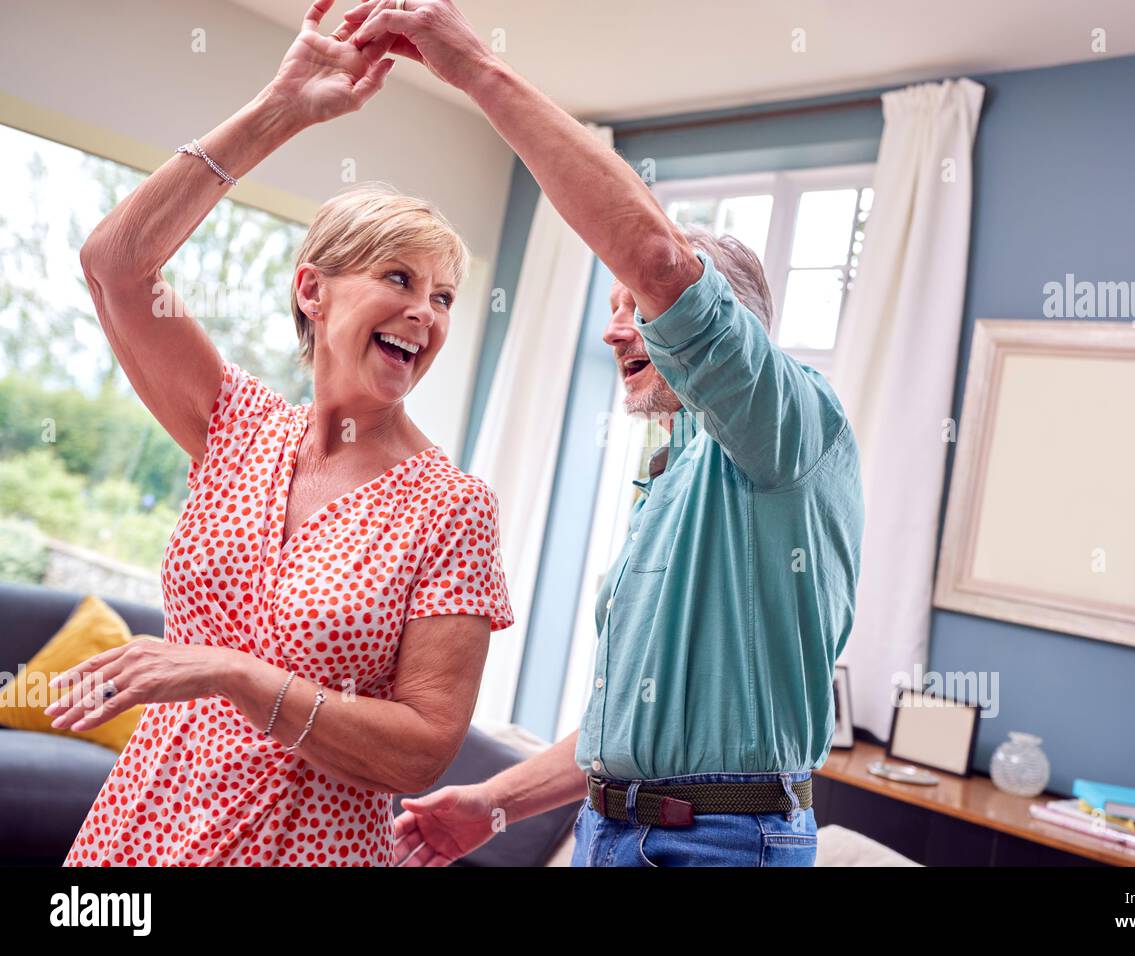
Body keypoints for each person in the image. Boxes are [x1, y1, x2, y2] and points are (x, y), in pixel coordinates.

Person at [347, 0, 865, 866]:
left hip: (724, 844)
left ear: (722, 329)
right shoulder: (671, 478)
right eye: (612, 309)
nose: (612, 331)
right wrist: (493, 804)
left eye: (636, 312)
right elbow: (630, 731)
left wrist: (475, 67)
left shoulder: (794, 427)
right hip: (612, 830)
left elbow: (661, 260)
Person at [48, 0, 512, 866]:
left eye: (444, 297)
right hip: (134, 840)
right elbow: (115, 265)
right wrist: (283, 107)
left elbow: (422, 746)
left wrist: (232, 673)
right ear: (313, 290)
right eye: (399, 278)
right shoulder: (237, 428)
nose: (425, 312)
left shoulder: (452, 509)